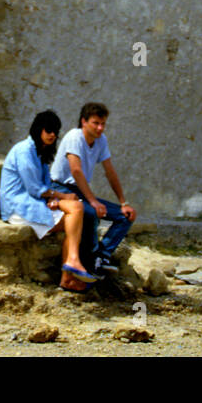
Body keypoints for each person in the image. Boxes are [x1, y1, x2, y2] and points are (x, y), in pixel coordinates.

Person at [0, 110, 97, 290]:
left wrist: (51, 198)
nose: (53, 134)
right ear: (39, 129)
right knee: (74, 210)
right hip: (18, 208)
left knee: (75, 212)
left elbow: (44, 185)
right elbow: (35, 188)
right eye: (49, 130)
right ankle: (71, 267)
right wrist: (62, 196)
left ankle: (69, 270)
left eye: (56, 131)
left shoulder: (40, 153)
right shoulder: (24, 151)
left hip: (34, 203)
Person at [50, 102, 136, 275]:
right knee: (90, 213)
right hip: (61, 186)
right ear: (84, 121)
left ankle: (101, 256)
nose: (100, 128)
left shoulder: (100, 140)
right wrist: (93, 201)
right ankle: (87, 263)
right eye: (96, 123)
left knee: (124, 216)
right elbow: (75, 170)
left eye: (103, 124)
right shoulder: (74, 136)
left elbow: (110, 172)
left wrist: (123, 202)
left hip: (80, 189)